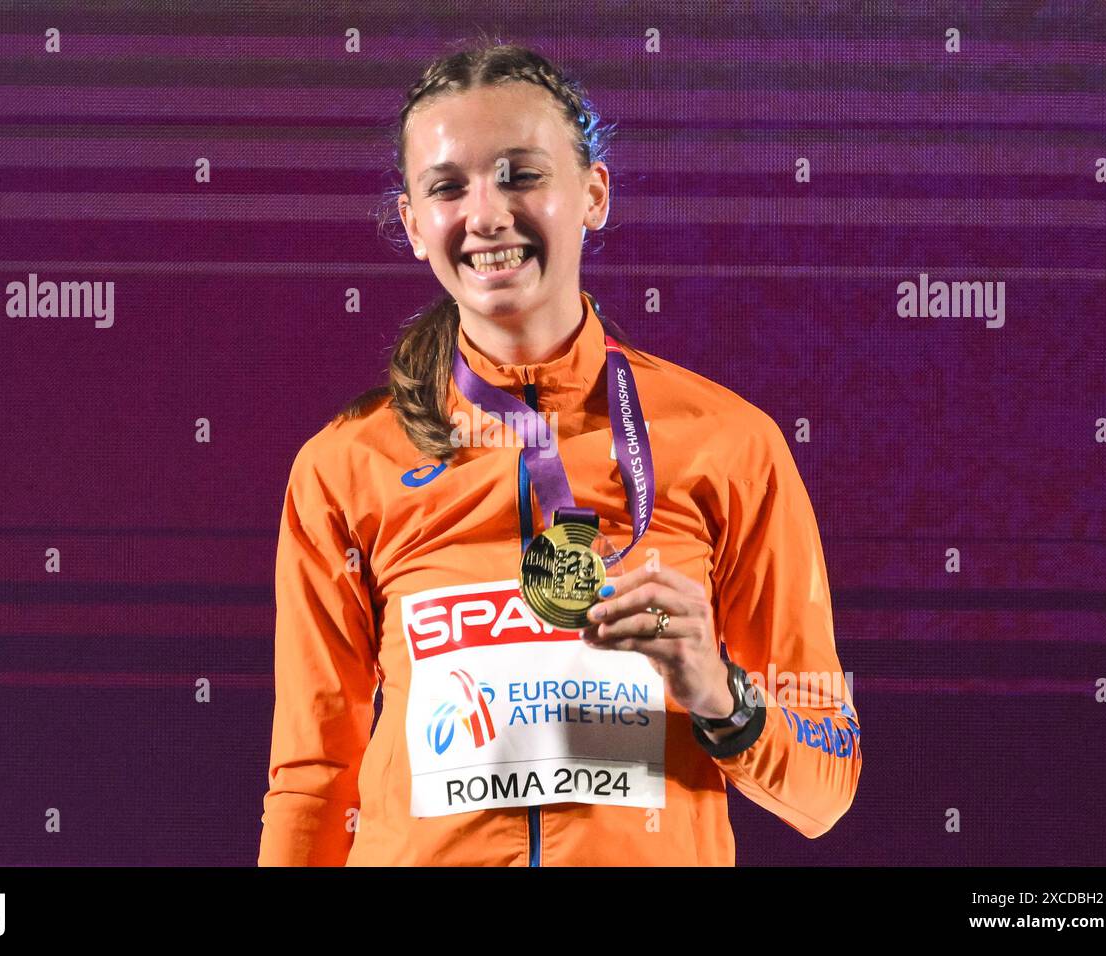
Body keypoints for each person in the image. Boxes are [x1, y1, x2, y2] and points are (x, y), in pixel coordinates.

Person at [257, 41, 861, 867]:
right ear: (411, 223)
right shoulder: (342, 467)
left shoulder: (730, 444)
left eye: (520, 174)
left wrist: (722, 697)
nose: (487, 215)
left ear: (594, 194)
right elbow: (313, 779)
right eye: (447, 187)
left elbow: (828, 779)